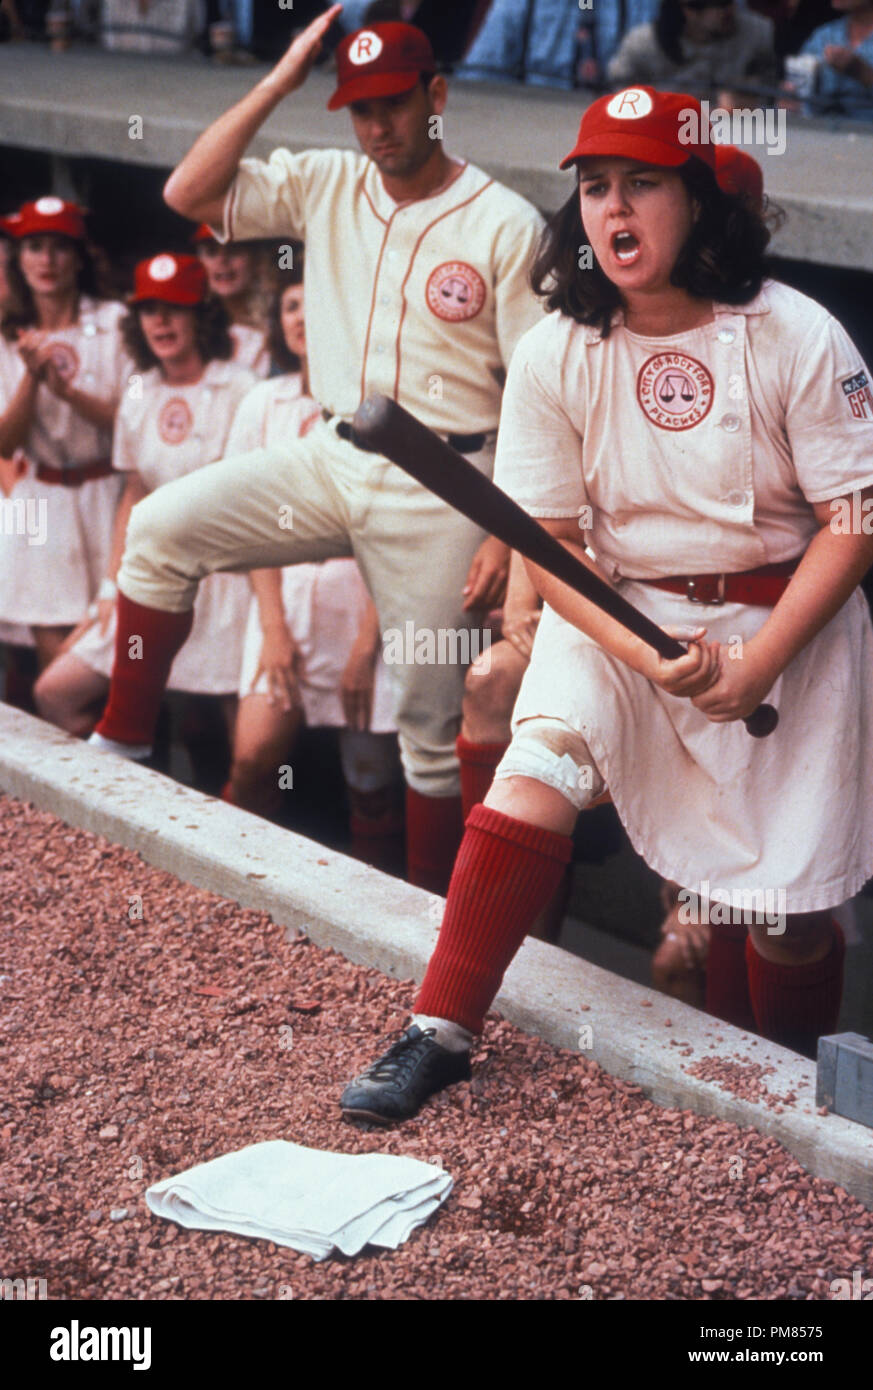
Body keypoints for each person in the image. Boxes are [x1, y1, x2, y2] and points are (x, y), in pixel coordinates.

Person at [340, 85, 873, 1124]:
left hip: (786, 637)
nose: (615, 210)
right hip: (617, 609)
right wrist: (637, 642)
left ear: (697, 199)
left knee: (787, 919)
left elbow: (855, 522)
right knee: (534, 765)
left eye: (642, 184)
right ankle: (440, 1026)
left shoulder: (796, 332)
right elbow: (555, 545)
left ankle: (783, 1099)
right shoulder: (555, 348)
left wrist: (757, 664)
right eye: (593, 187)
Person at [87, 12, 545, 896]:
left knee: (426, 721)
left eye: (393, 105)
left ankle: (425, 923)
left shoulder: (504, 223)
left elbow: (538, 397)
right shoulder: (329, 179)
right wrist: (279, 78)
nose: (376, 126)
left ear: (435, 97)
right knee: (159, 531)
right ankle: (122, 744)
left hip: (449, 482)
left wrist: (507, 533)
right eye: (358, 108)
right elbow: (188, 192)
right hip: (333, 450)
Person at [35, 253, 254, 763]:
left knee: (243, 746)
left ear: (202, 315)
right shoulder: (140, 392)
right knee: (56, 693)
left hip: (225, 581)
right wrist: (109, 591)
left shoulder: (242, 386)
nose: (161, 321)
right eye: (149, 309)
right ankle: (134, 799)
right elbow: (134, 492)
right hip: (152, 575)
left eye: (175, 308)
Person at [225, 264, 404, 871]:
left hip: (365, 601)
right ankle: (236, 889)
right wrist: (273, 628)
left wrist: (366, 641)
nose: (302, 318)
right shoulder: (262, 403)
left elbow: (399, 531)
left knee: (371, 781)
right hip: (285, 595)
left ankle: (371, 918)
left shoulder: (379, 408)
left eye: (315, 304)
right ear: (278, 323)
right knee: (255, 760)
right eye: (290, 306)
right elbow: (248, 524)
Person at [0, 197, 130, 672]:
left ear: (79, 257)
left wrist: (66, 391)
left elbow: (131, 425)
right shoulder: (6, 334)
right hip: (38, 498)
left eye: (59, 248)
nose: (47, 261)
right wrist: (32, 379)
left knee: (116, 652)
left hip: (106, 490)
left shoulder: (115, 322)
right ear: (19, 258)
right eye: (34, 247)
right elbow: (3, 444)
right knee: (53, 662)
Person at [608, 0, 779, 96]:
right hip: (664, 137)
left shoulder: (757, 32)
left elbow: (776, 84)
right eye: (721, 4)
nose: (730, 10)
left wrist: (749, 94)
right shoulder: (642, 44)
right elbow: (615, 96)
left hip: (736, 136)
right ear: (689, 9)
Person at [192, 224, 270, 375]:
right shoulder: (192, 327)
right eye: (212, 252)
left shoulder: (278, 321)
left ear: (257, 261)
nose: (222, 260)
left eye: (234, 250)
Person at [793, 0, 873, 120]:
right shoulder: (825, 35)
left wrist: (863, 73)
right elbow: (798, 91)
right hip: (818, 132)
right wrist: (791, 98)